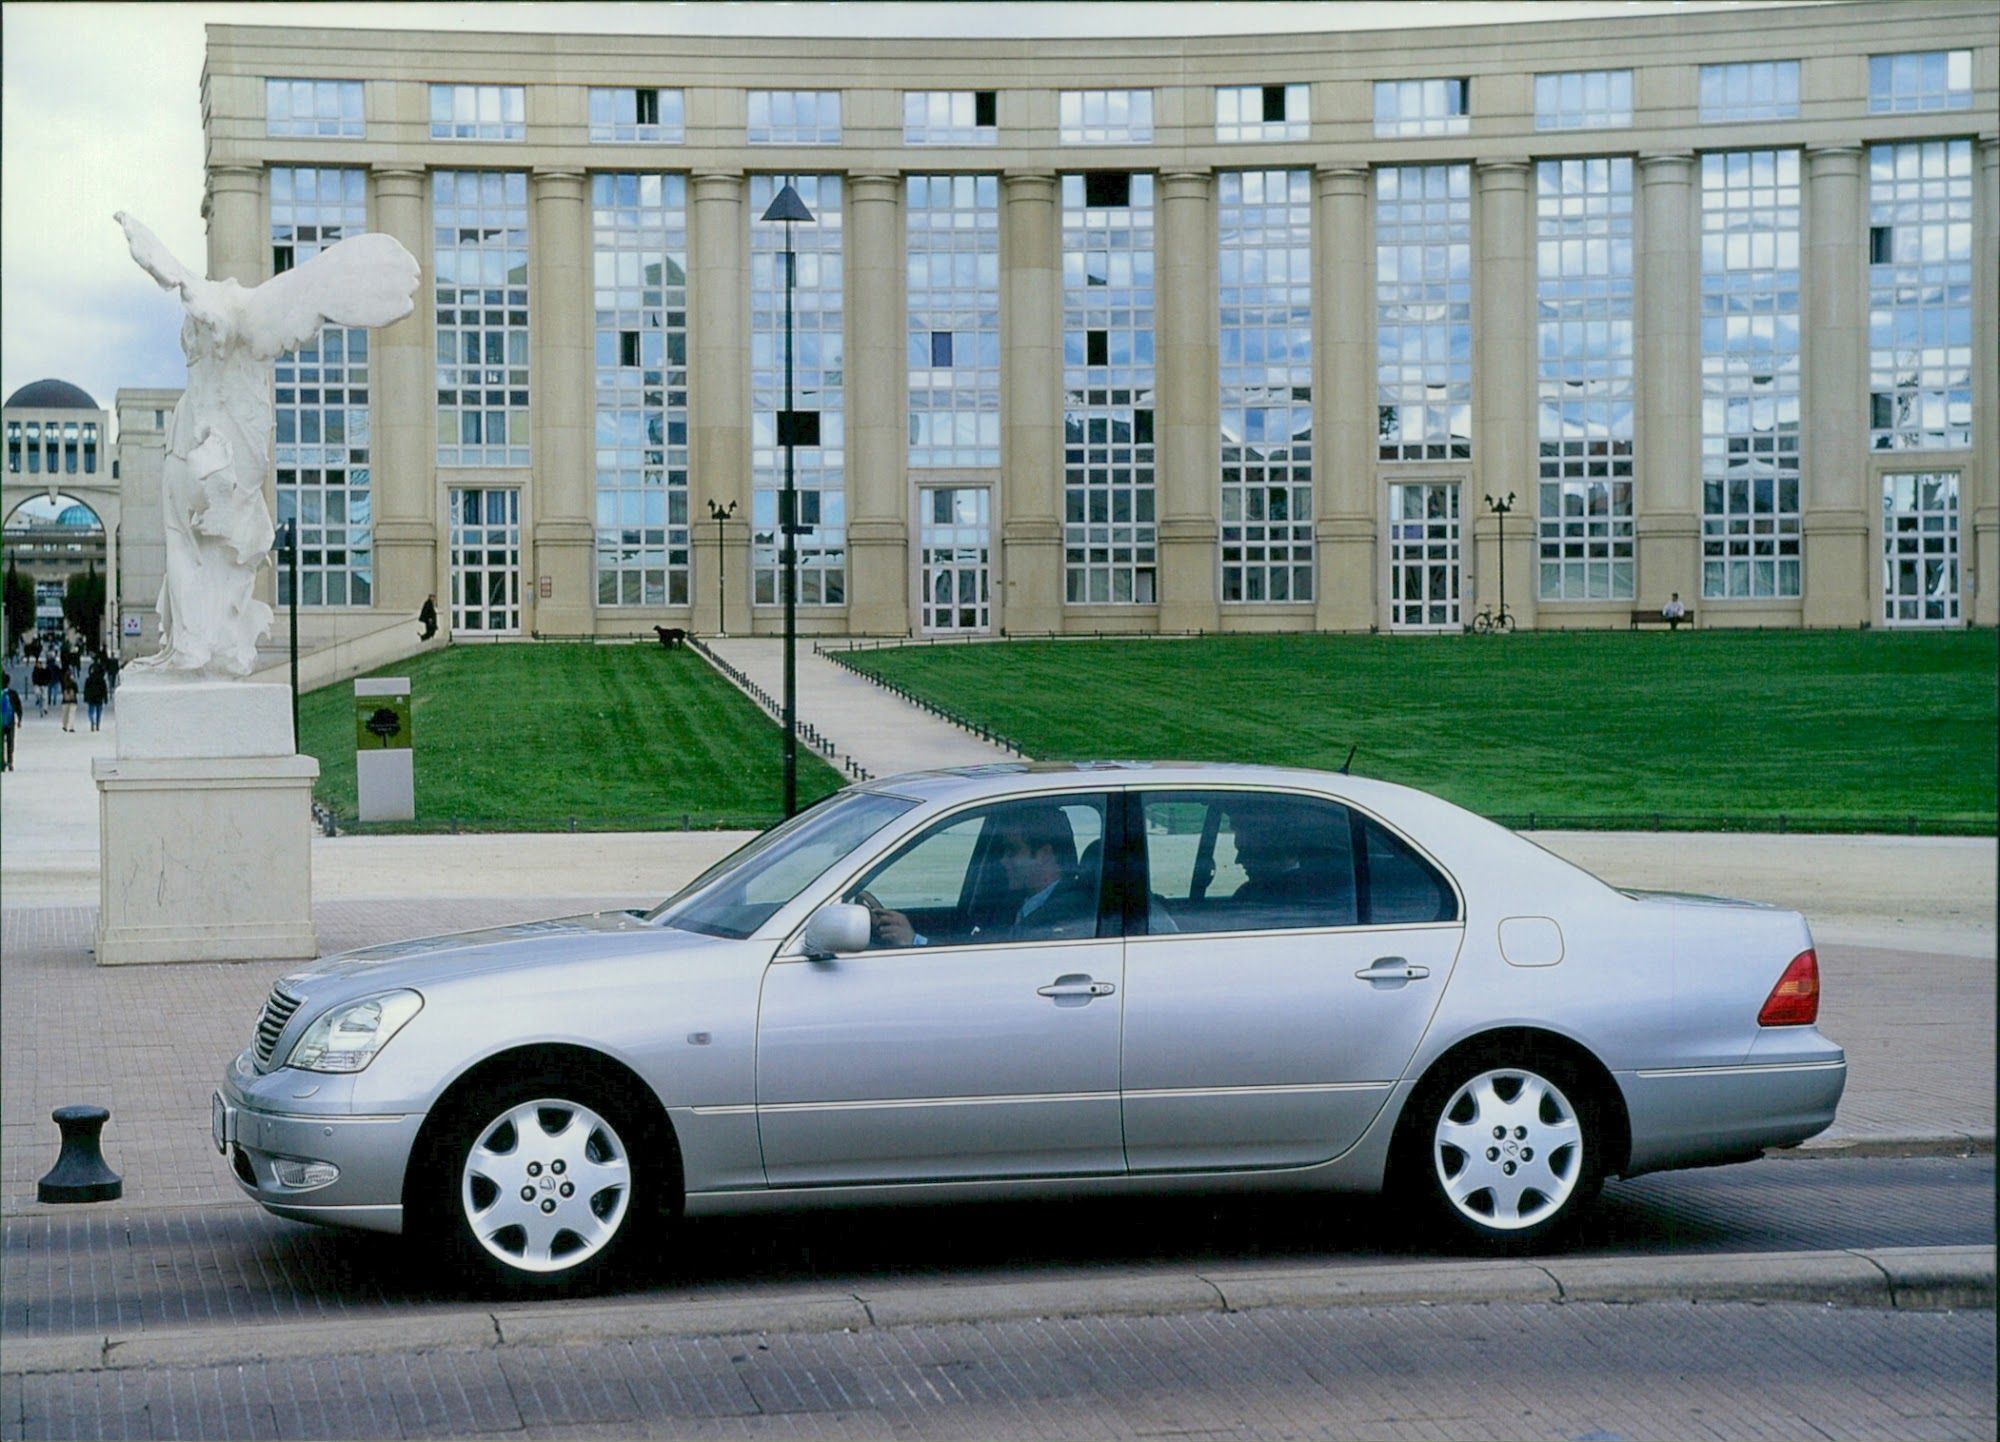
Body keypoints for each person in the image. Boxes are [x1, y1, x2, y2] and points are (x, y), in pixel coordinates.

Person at [83, 662, 108, 732]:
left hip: (91, 698)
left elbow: (86, 690)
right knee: (99, 712)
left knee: (90, 712)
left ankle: (92, 721)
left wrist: (85, 698)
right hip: (99, 698)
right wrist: (105, 698)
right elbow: (104, 690)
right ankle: (97, 724)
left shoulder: (89, 679)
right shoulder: (102, 680)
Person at [1, 679, 19, 770]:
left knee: (1, 743)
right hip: (10, 721)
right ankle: (10, 762)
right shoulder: (13, 693)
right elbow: (18, 707)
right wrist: (19, 719)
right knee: (10, 742)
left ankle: (2, 762)